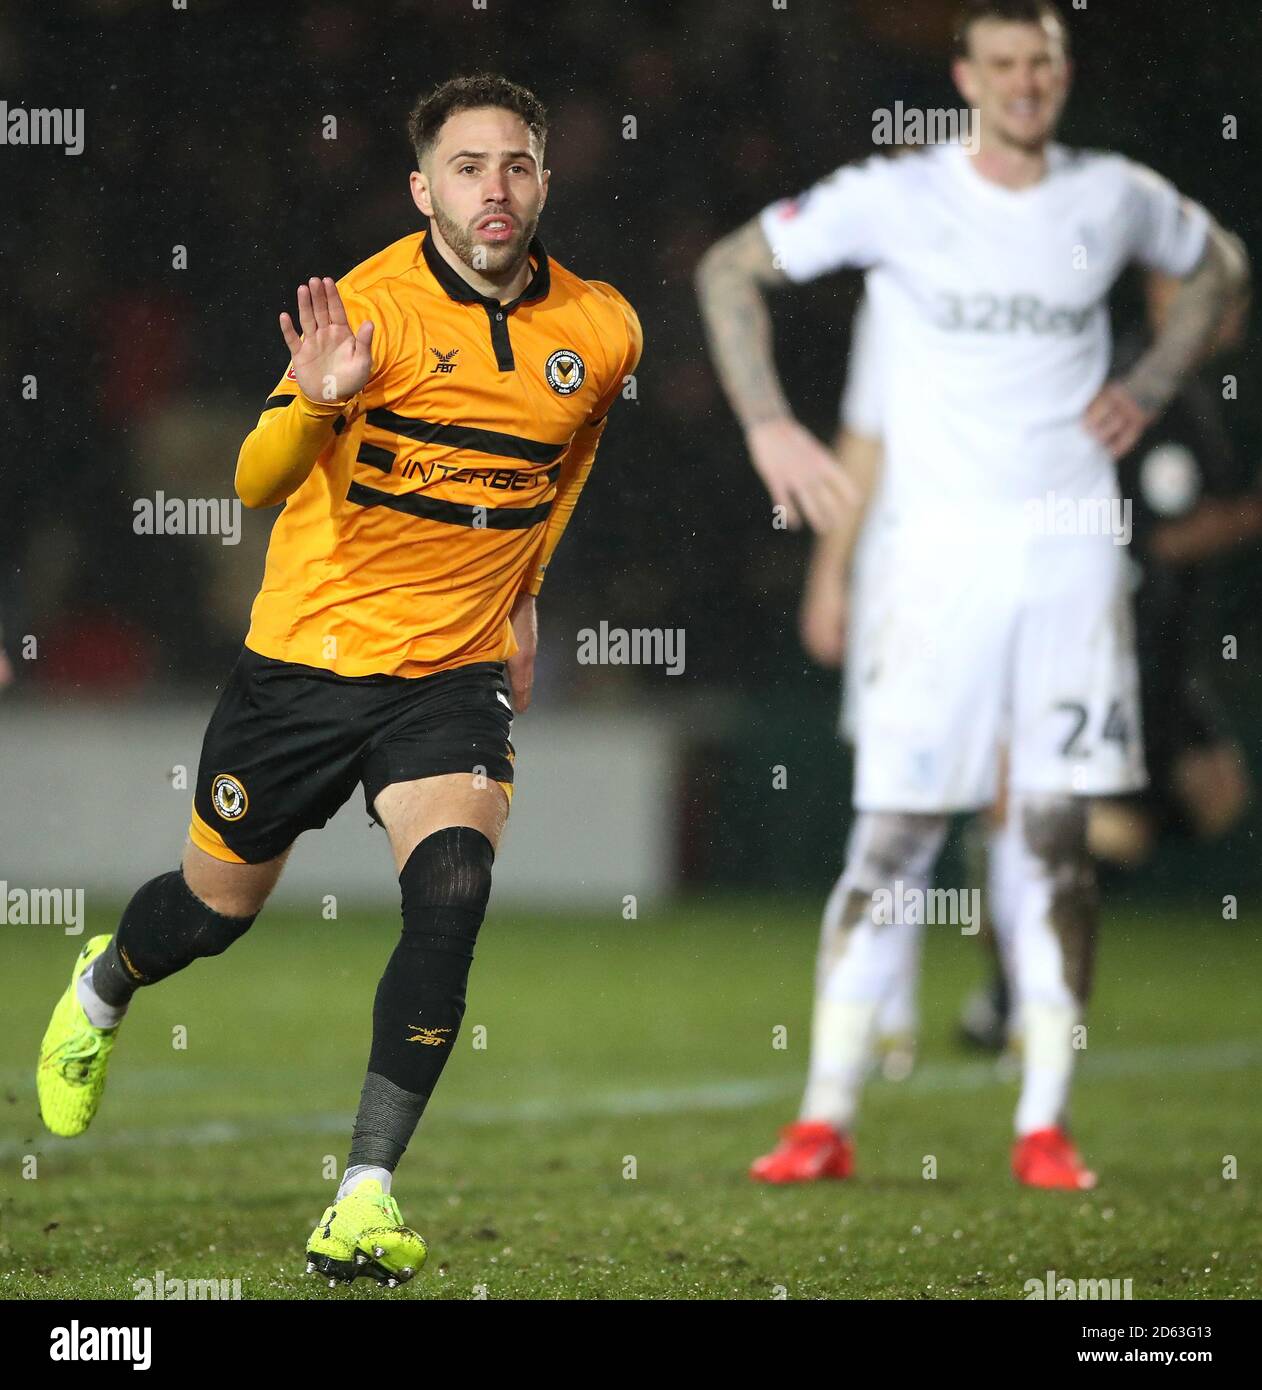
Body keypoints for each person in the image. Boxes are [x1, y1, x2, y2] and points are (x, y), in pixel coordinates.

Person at [36, 73, 641, 1287]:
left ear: (542, 181)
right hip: (303, 668)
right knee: (211, 913)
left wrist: (525, 589)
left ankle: (363, 1193)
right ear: (422, 191)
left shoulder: (603, 327)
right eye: (466, 166)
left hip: (451, 671)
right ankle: (104, 983)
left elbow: (565, 464)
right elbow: (255, 482)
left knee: (453, 889)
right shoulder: (365, 310)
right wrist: (315, 404)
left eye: (516, 163)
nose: (494, 187)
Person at [695, 0, 1247, 1189]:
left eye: (1040, 62)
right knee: (893, 831)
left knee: (1050, 838)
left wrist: (1152, 380)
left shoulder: (1111, 194)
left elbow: (1221, 266)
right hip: (930, 566)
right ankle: (824, 1116)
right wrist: (766, 425)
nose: (1023, 82)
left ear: (1062, 70)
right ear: (965, 76)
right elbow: (727, 266)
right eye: (1001, 63)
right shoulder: (896, 196)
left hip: (1067, 562)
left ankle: (1042, 1123)